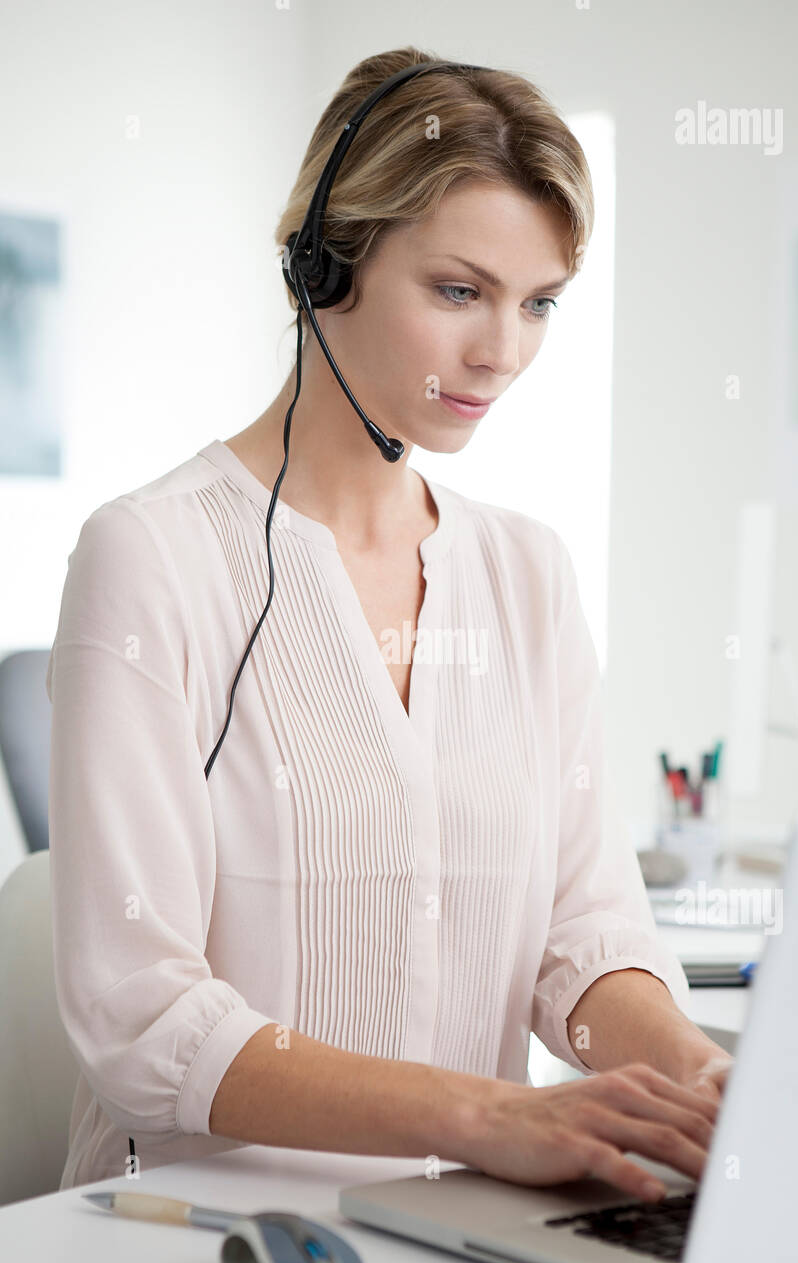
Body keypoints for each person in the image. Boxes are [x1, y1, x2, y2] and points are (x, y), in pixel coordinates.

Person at [47, 46, 732, 1198]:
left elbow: (585, 934)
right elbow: (137, 1007)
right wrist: (489, 1112)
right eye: (460, 291)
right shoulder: (152, 558)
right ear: (325, 267)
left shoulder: (528, 573)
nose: (501, 353)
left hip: (462, 1220)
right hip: (194, 1228)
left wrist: (704, 1084)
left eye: (538, 304)